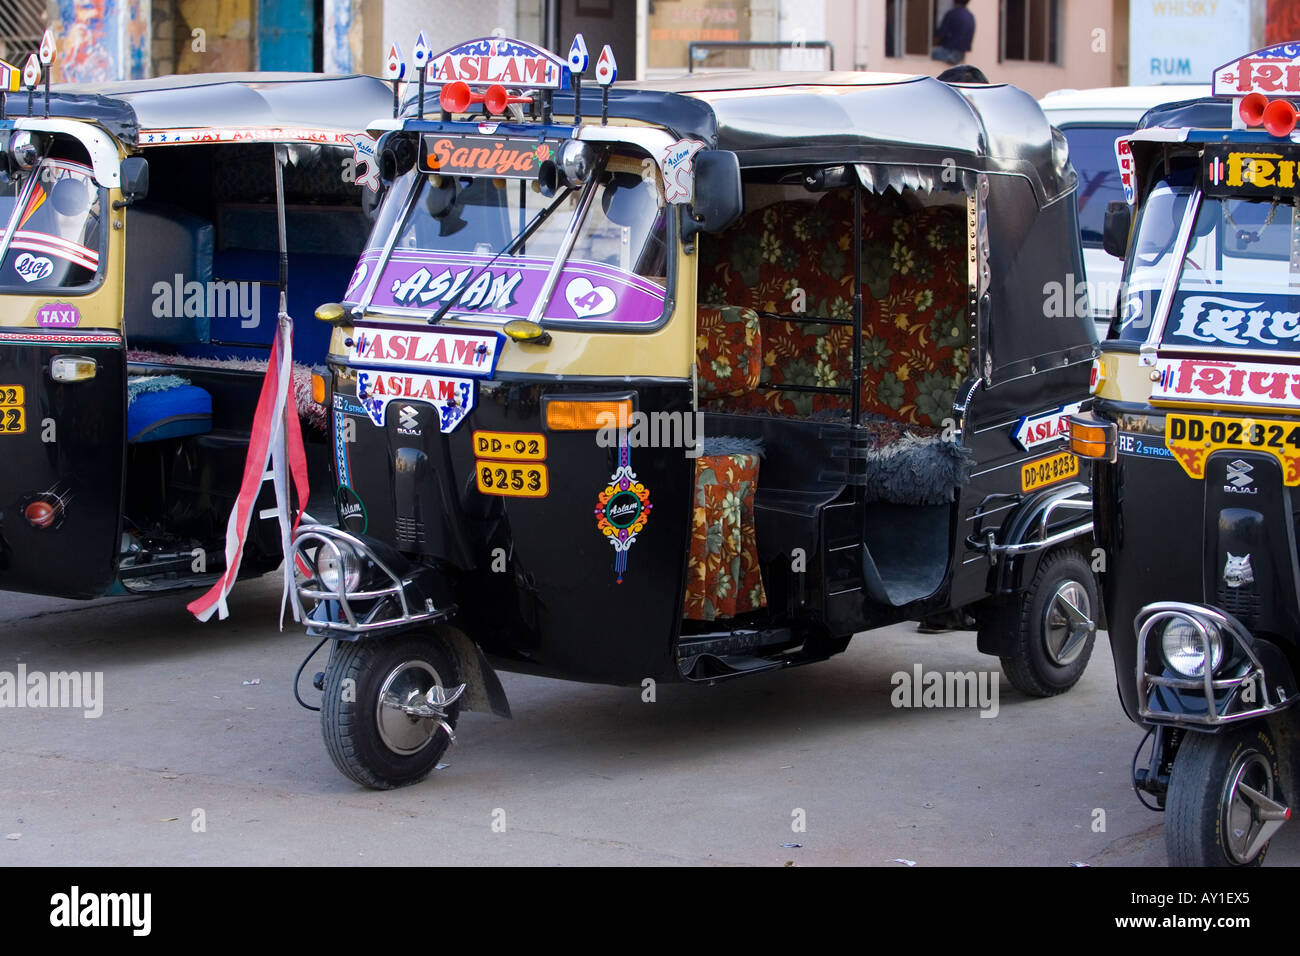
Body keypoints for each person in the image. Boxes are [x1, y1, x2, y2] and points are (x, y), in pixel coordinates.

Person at [931, 0, 975, 66]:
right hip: (961, 55)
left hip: (949, 53)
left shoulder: (952, 14)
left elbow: (941, 35)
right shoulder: (970, 16)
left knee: (927, 54)